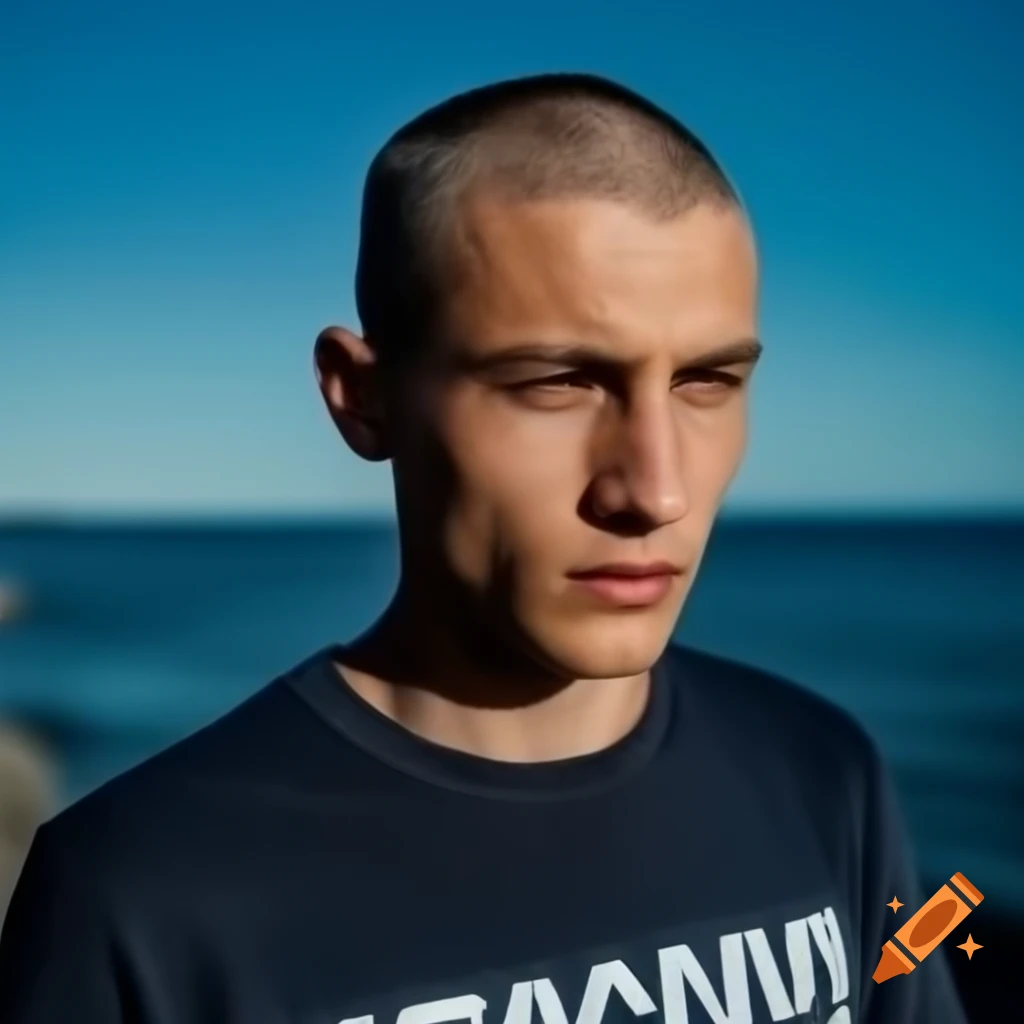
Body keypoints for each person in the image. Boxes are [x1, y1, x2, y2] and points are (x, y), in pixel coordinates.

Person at [0, 73, 966, 1024]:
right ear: (363, 398)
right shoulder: (138, 897)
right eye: (557, 382)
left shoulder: (822, 772)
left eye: (706, 381)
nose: (657, 490)